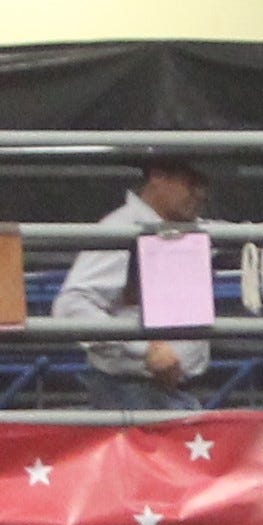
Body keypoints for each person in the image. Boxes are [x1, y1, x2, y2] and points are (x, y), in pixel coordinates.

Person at [53, 156, 213, 410]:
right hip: (131, 391)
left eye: (203, 185)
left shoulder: (186, 231)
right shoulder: (122, 229)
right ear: (158, 176)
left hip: (155, 393)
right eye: (191, 183)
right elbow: (72, 305)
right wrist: (145, 349)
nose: (200, 194)